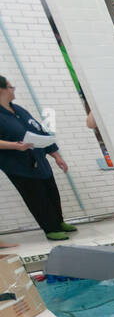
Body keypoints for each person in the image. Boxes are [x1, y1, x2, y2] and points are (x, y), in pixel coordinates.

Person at [0, 75, 74, 240]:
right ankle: (50, 229)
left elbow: (40, 131)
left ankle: (59, 222)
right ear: (2, 90)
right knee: (36, 197)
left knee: (51, 192)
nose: (13, 90)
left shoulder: (19, 110)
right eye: (11, 87)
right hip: (18, 166)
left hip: (39, 160)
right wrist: (15, 146)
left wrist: (56, 156)